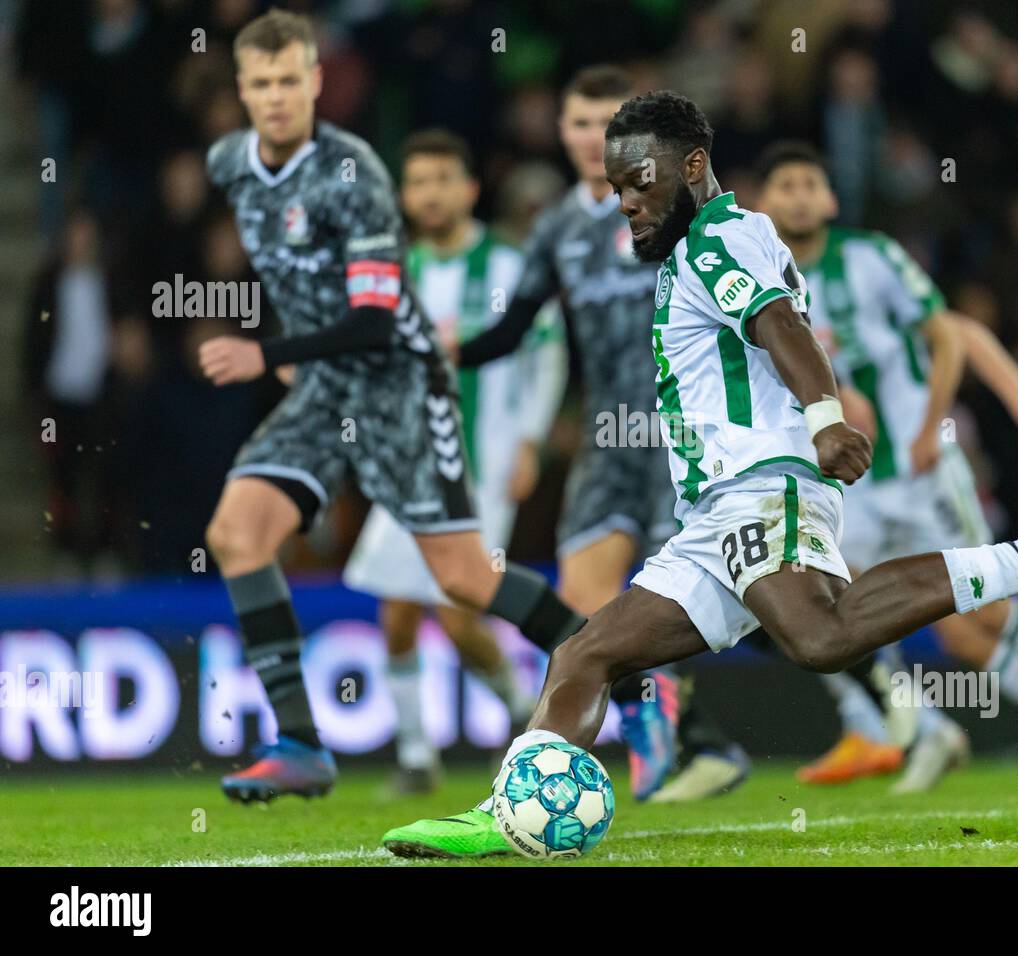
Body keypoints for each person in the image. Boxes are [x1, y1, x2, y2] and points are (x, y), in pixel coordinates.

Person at [379, 91, 1018, 858]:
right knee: (587, 653)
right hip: (713, 512)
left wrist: (825, 419)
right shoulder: (699, 245)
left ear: (692, 165)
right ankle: (506, 811)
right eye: (617, 188)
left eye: (641, 182)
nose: (626, 202)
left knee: (820, 636)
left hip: (767, 481)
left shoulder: (721, 236)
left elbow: (781, 323)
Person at [197, 10, 590, 802]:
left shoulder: (355, 174)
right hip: (323, 386)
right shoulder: (230, 163)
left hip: (399, 382)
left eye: (289, 81)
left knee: (464, 580)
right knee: (237, 535)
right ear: (241, 89)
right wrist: (297, 349)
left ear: (315, 82)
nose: (276, 97)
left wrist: (265, 353)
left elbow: (375, 317)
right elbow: (301, 272)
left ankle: (601, 655)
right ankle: (303, 745)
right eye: (260, 83)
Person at [755, 141, 1018, 792]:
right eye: (785, 184)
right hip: (846, 484)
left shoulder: (872, 258)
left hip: (920, 475)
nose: (799, 196)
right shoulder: (762, 285)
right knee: (826, 601)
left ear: (830, 199)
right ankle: (899, 726)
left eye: (811, 183)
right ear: (762, 203)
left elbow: (954, 333)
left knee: (981, 622)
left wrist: (940, 422)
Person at [453, 65, 748, 802]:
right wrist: (441, 352)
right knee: (587, 608)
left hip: (685, 434)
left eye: (606, 125)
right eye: (579, 124)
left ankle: (864, 689)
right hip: (605, 438)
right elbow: (515, 328)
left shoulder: (680, 207)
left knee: (697, 599)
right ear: (560, 132)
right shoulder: (555, 227)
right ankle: (674, 732)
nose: (592, 139)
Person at [341, 129, 567, 794]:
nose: (430, 193)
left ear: (470, 189)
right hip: (410, 466)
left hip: (484, 463)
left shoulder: (510, 264)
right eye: (418, 182)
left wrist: (530, 438)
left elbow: (546, 352)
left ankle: (528, 717)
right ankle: (416, 758)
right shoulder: (393, 273)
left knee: (460, 614)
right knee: (397, 613)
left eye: (443, 178)